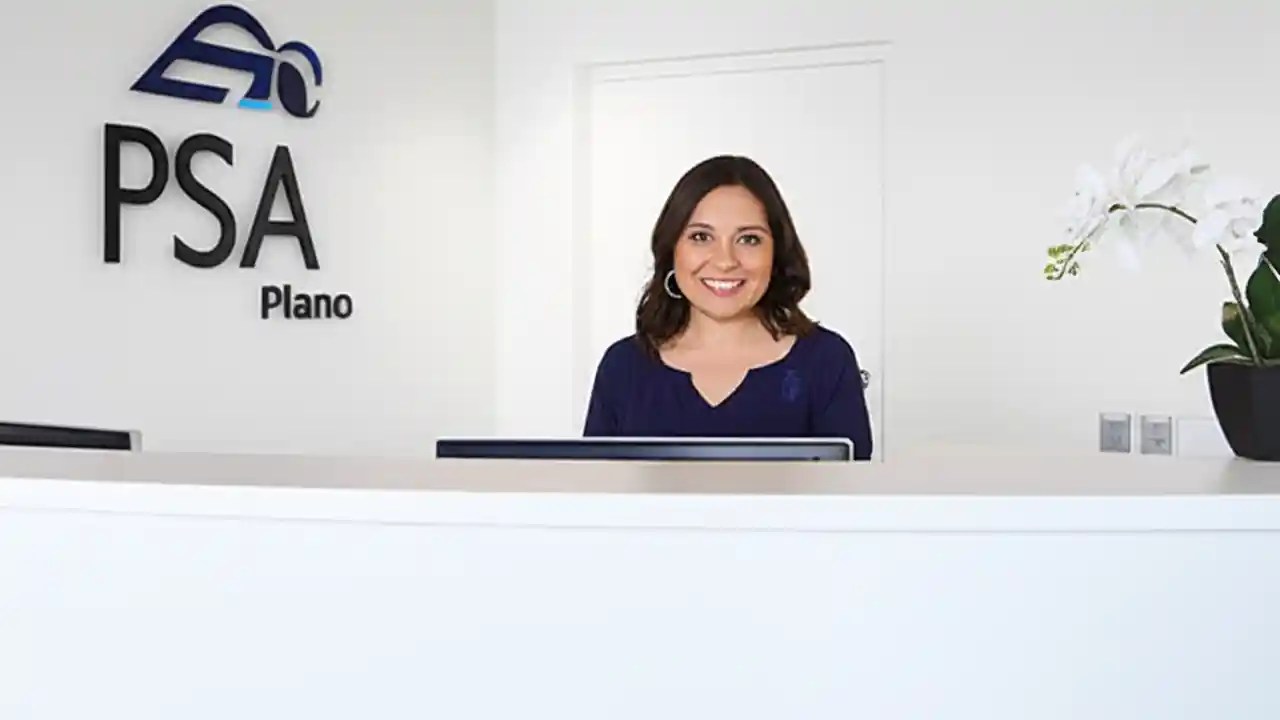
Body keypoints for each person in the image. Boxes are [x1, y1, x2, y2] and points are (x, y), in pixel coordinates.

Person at [582, 155, 874, 460]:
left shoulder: (826, 362)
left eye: (749, 239)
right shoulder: (624, 368)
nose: (725, 261)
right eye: (701, 237)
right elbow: (596, 502)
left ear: (776, 253)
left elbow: (850, 503)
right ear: (672, 250)